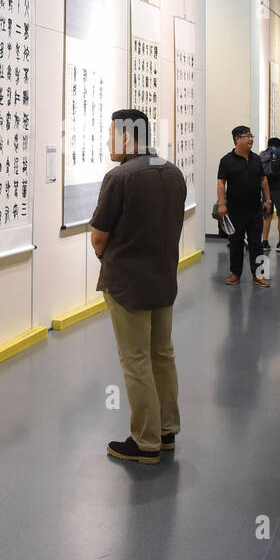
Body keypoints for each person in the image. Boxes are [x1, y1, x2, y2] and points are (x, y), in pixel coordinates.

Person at [90, 109, 187, 465]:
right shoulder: (173, 172)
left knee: (135, 360)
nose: (108, 142)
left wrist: (106, 255)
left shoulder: (120, 177)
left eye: (112, 134)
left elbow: (99, 237)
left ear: (128, 136)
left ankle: (144, 440)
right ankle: (166, 429)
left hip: (127, 283)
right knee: (162, 354)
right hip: (163, 279)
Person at [217, 125, 273, 287]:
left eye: (251, 136)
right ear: (237, 139)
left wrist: (268, 200)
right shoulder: (226, 161)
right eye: (247, 136)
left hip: (255, 209)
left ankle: (258, 275)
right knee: (236, 243)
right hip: (235, 211)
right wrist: (221, 204)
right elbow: (221, 183)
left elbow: (263, 180)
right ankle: (235, 273)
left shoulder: (256, 158)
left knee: (257, 244)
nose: (251, 139)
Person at [260, 137, 280, 253]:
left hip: (266, 190)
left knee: (267, 216)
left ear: (268, 145)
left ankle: (264, 242)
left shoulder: (263, 154)